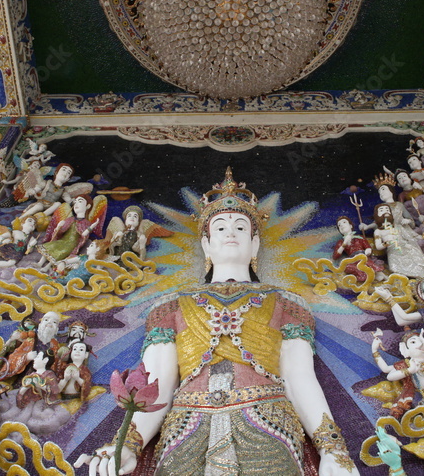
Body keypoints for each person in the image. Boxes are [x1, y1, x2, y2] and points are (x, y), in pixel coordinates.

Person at [82, 168, 357, 475]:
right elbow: (156, 384)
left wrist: (332, 450)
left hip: (268, 425)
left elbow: (299, 378)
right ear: (206, 245)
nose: (230, 233)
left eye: (241, 228)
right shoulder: (169, 306)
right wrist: (127, 444)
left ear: (254, 245)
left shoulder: (286, 303)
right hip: (186, 429)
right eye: (220, 228)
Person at [332, 216, 382, 285]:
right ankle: (362, 275)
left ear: (350, 226)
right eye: (339, 225)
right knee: (347, 267)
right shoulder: (341, 242)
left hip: (362, 256)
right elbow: (335, 256)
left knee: (365, 262)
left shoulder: (360, 237)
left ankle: (375, 273)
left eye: (344, 222)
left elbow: (368, 248)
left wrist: (367, 252)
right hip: (352, 259)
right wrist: (344, 243)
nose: (342, 225)